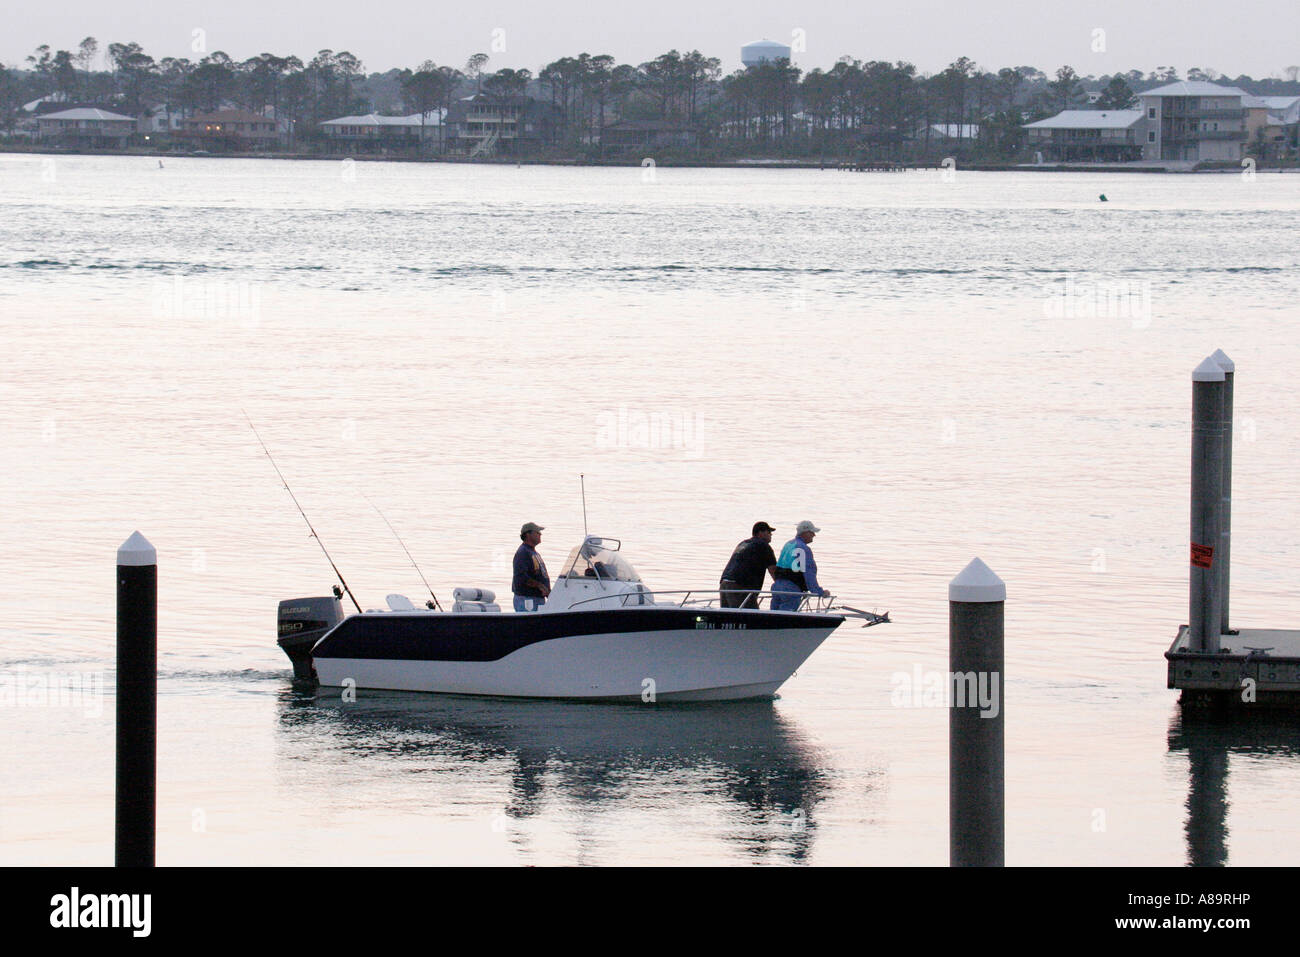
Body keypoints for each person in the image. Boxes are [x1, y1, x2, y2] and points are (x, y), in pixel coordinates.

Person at [771, 520, 829, 612]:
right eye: (812, 532)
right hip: (791, 589)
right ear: (805, 533)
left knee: (773, 614)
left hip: (776, 586)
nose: (814, 535)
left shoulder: (788, 544)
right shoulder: (803, 549)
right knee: (785, 617)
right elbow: (809, 574)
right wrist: (819, 592)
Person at [719, 521, 778, 608]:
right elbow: (773, 570)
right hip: (739, 585)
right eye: (769, 532)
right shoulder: (763, 545)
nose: (771, 535)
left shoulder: (744, 543)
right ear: (760, 533)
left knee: (728, 618)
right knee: (751, 617)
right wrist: (782, 586)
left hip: (724, 583)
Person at [512, 522, 550, 612]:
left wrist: (548, 592)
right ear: (528, 534)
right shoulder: (523, 552)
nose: (540, 534)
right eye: (537, 532)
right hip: (527, 600)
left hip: (537, 599)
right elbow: (521, 577)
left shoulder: (534, 553)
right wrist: (540, 586)